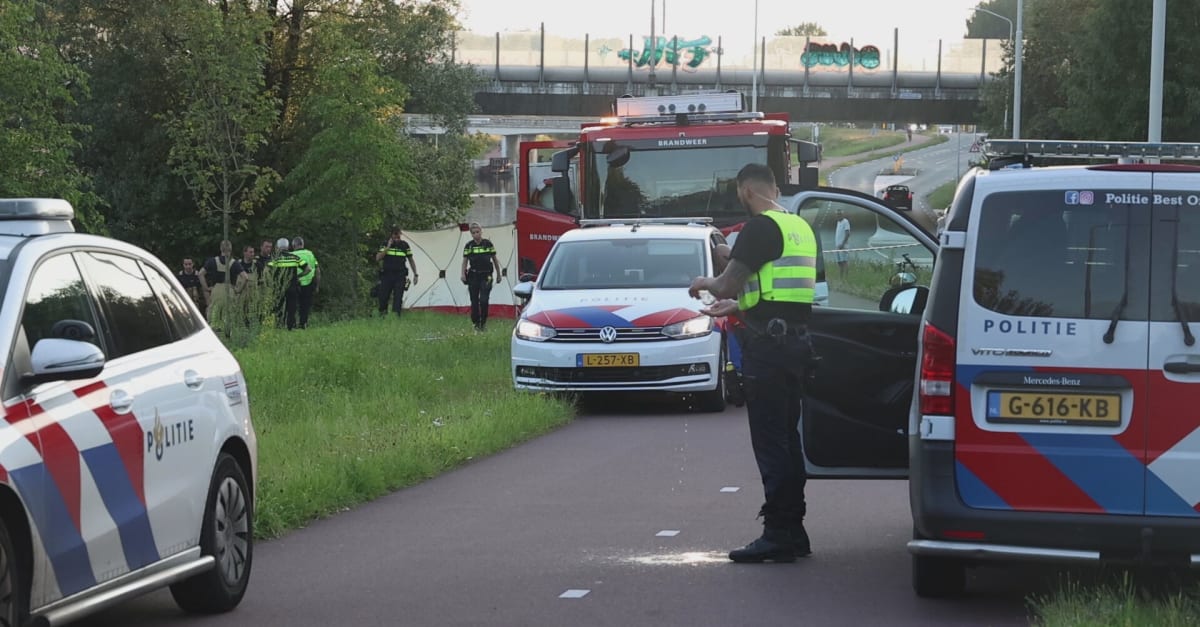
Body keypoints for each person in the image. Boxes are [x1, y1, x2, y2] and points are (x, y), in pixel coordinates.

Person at [688, 163, 818, 564]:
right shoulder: (798, 226)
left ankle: (778, 533)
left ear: (745, 191)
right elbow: (777, 294)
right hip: (795, 345)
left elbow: (727, 281)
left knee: (770, 442)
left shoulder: (760, 228)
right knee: (788, 440)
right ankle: (794, 530)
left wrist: (704, 284)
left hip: (768, 352)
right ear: (774, 187)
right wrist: (736, 306)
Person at [461, 222, 502, 331]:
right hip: (473, 275)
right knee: (474, 301)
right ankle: (476, 323)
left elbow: (494, 260)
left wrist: (498, 274)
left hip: (486, 275)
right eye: (473, 233)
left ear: (481, 231)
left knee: (484, 300)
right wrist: (462, 274)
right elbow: (464, 261)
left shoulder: (488, 244)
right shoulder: (468, 246)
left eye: (477, 232)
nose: (476, 234)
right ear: (471, 234)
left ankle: (483, 322)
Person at [375, 226, 419, 317]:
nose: (397, 238)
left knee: (398, 297)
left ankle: (396, 317)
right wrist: (387, 247)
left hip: (400, 275)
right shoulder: (385, 244)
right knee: (383, 297)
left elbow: (411, 260)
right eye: (395, 235)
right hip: (387, 275)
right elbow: (378, 258)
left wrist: (415, 274)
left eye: (398, 235)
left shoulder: (404, 245)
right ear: (391, 235)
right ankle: (382, 315)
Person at [267, 239, 308, 330]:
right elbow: (308, 269)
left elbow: (267, 271)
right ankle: (290, 326)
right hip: (292, 286)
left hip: (279, 287)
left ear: (277, 247)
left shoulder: (275, 258)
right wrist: (298, 276)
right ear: (288, 247)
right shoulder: (294, 257)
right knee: (291, 307)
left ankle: (278, 325)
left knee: (278, 307)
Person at [199, 240, 237, 332]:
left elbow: (200, 274)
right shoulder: (234, 262)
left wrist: (206, 288)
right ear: (231, 249)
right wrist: (238, 289)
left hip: (216, 289)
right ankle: (228, 339)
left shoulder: (212, 261)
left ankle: (214, 338)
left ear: (220, 248)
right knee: (228, 317)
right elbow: (245, 277)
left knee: (214, 316)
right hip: (229, 290)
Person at [290, 236, 320, 329]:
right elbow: (318, 271)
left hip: (295, 283)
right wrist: (317, 285)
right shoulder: (310, 254)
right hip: (308, 283)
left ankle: (292, 324)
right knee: (305, 306)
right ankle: (303, 324)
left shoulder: (291, 255)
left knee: (293, 305)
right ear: (302, 244)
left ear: (294, 245)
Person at [834, 208, 850, 281]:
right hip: (837, 246)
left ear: (842, 214)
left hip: (843, 246)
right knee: (839, 263)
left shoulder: (845, 222)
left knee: (845, 262)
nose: (838, 215)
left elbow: (847, 233)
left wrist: (843, 244)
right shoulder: (838, 222)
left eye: (840, 214)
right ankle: (841, 279)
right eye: (837, 214)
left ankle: (846, 278)